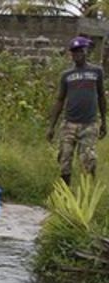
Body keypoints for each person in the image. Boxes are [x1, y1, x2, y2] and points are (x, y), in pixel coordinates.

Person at [47, 36, 106, 185]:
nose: (76, 55)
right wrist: (51, 126)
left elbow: (101, 96)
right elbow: (60, 100)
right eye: (73, 52)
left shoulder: (96, 71)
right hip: (69, 124)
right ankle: (65, 193)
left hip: (89, 124)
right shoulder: (67, 75)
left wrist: (104, 121)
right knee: (64, 158)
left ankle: (88, 193)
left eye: (79, 51)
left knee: (88, 159)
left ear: (85, 51)